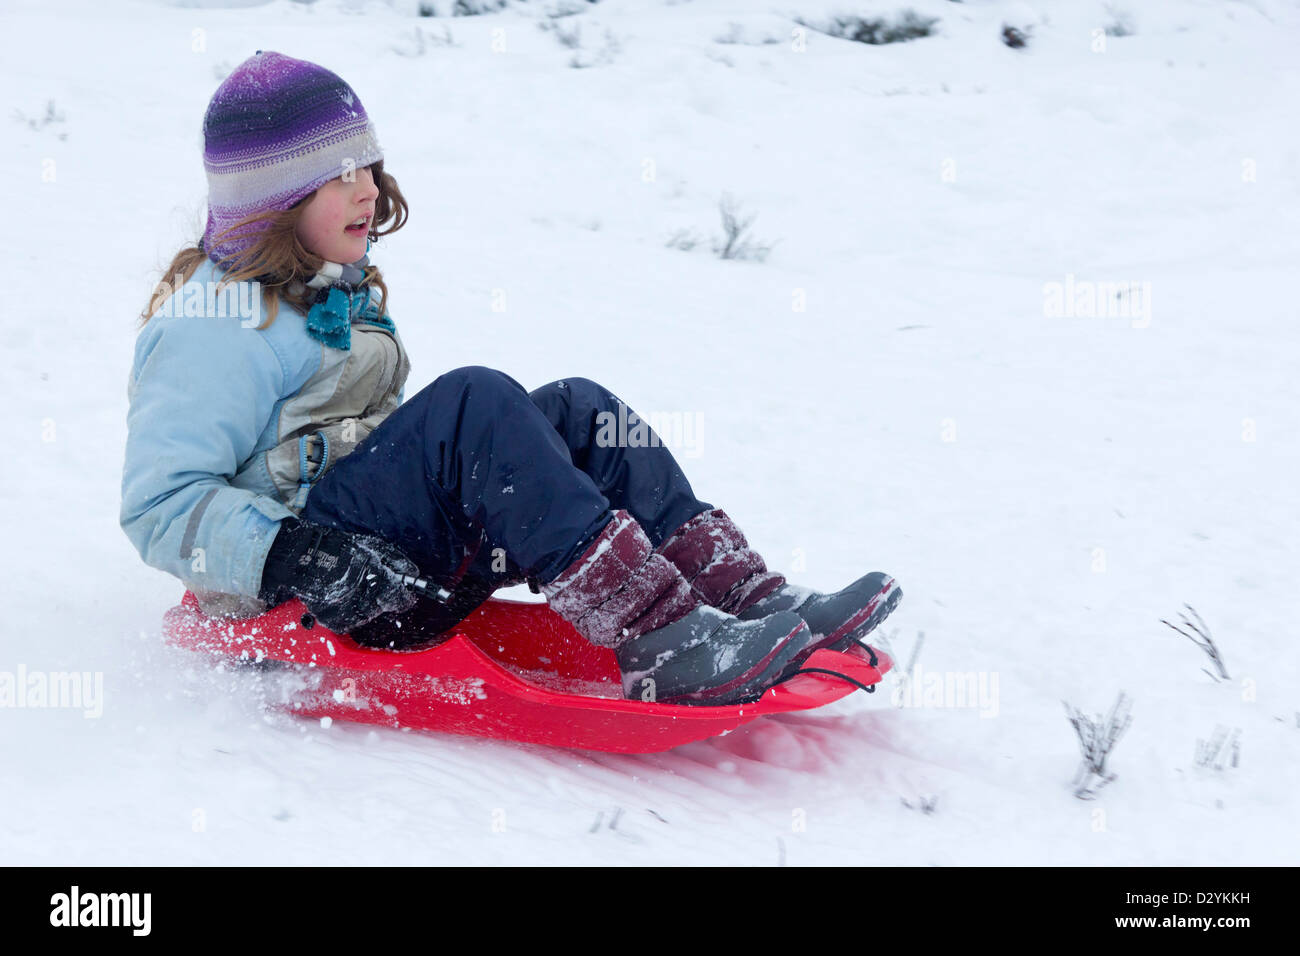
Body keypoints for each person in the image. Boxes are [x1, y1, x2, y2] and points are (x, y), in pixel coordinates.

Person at [121, 51, 902, 706]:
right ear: (274, 200)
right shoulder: (213, 324)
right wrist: (298, 558)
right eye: (339, 175)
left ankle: (739, 595)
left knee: (581, 411)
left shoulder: (332, 288)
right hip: (320, 591)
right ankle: (659, 638)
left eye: (370, 166)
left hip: (397, 566)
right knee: (474, 401)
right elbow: (159, 503)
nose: (367, 188)